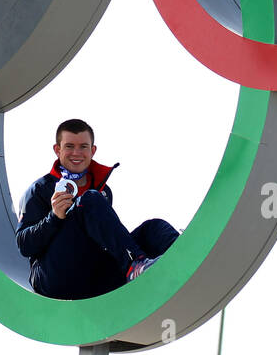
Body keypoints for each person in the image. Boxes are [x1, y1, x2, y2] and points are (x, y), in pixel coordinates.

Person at [16, 119, 178, 300]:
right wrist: (54, 217)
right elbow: (24, 245)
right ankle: (136, 265)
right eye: (69, 146)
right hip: (56, 279)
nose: (76, 153)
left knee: (153, 228)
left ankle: (185, 257)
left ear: (92, 150)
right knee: (91, 199)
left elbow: (109, 238)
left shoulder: (103, 190)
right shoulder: (41, 189)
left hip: (94, 277)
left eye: (83, 147)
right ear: (57, 150)